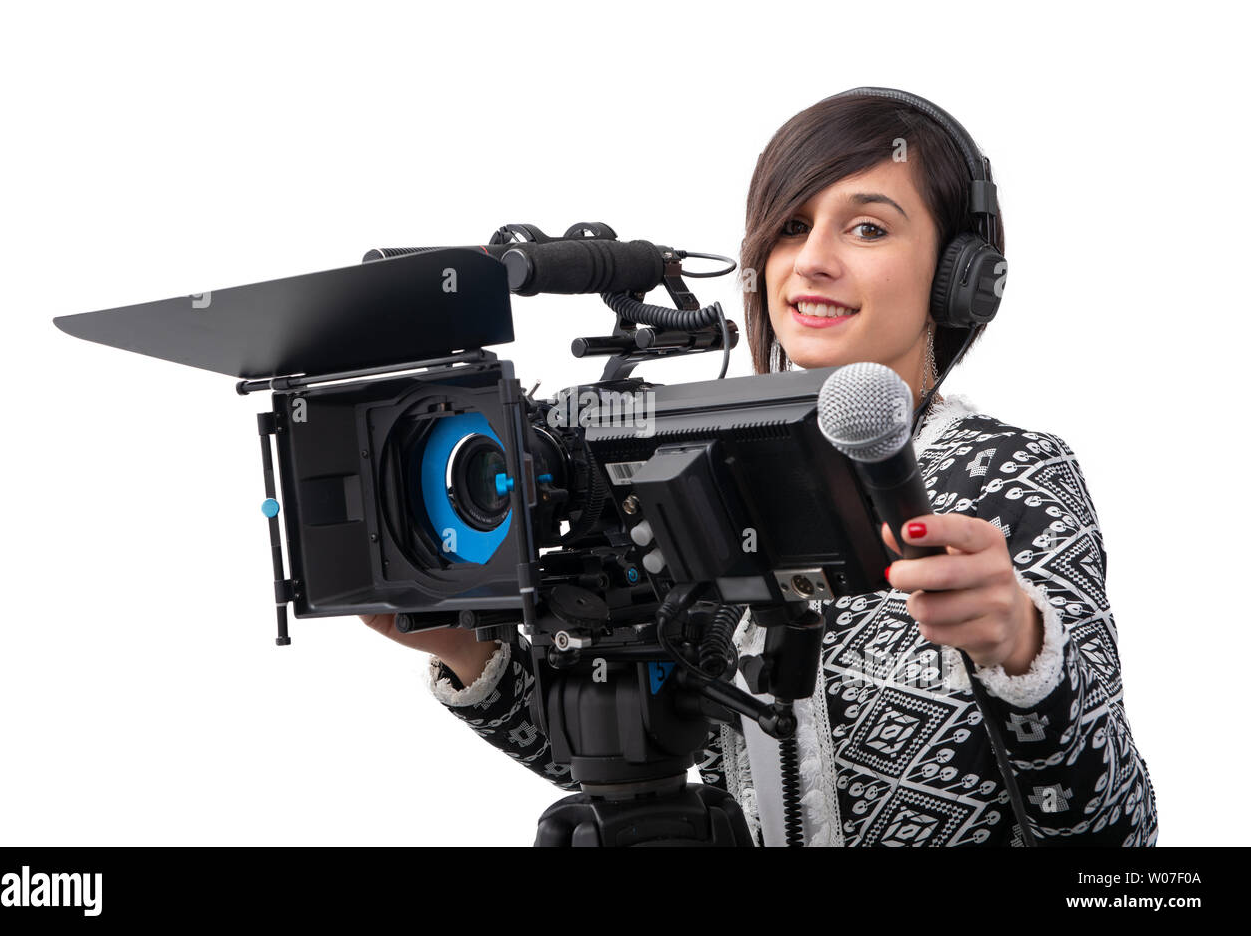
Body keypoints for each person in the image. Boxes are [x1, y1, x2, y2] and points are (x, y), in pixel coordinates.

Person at [360, 88, 1159, 846]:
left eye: (868, 229)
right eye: (790, 227)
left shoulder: (1011, 476)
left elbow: (1114, 837)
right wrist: (471, 654)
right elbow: (645, 761)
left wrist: (1022, 649)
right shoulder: (685, 462)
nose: (810, 261)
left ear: (957, 279)